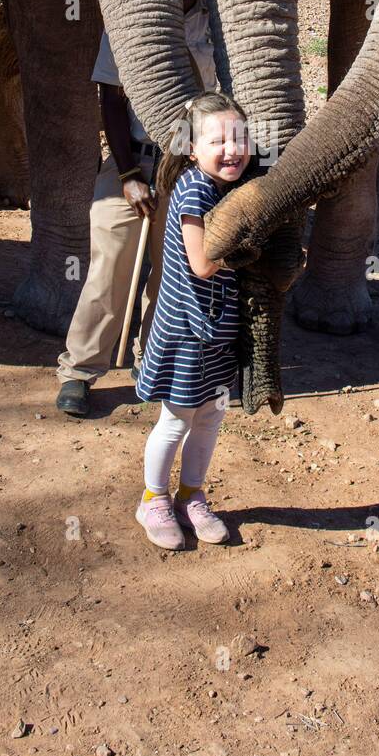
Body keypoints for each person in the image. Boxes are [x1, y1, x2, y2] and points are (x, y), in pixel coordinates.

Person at [55, 0, 216, 419]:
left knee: (172, 275)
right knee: (109, 269)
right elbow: (110, 99)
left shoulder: (218, 22)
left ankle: (153, 363)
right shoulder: (134, 10)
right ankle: (80, 371)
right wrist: (127, 174)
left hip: (190, 170)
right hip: (134, 164)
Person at [134, 90, 252, 550]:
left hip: (214, 332)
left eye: (240, 138)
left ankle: (191, 495)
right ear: (191, 147)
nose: (232, 149)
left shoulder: (222, 187)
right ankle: (153, 499)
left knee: (210, 418)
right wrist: (250, 252)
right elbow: (202, 264)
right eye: (218, 140)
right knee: (177, 420)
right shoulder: (196, 188)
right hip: (188, 332)